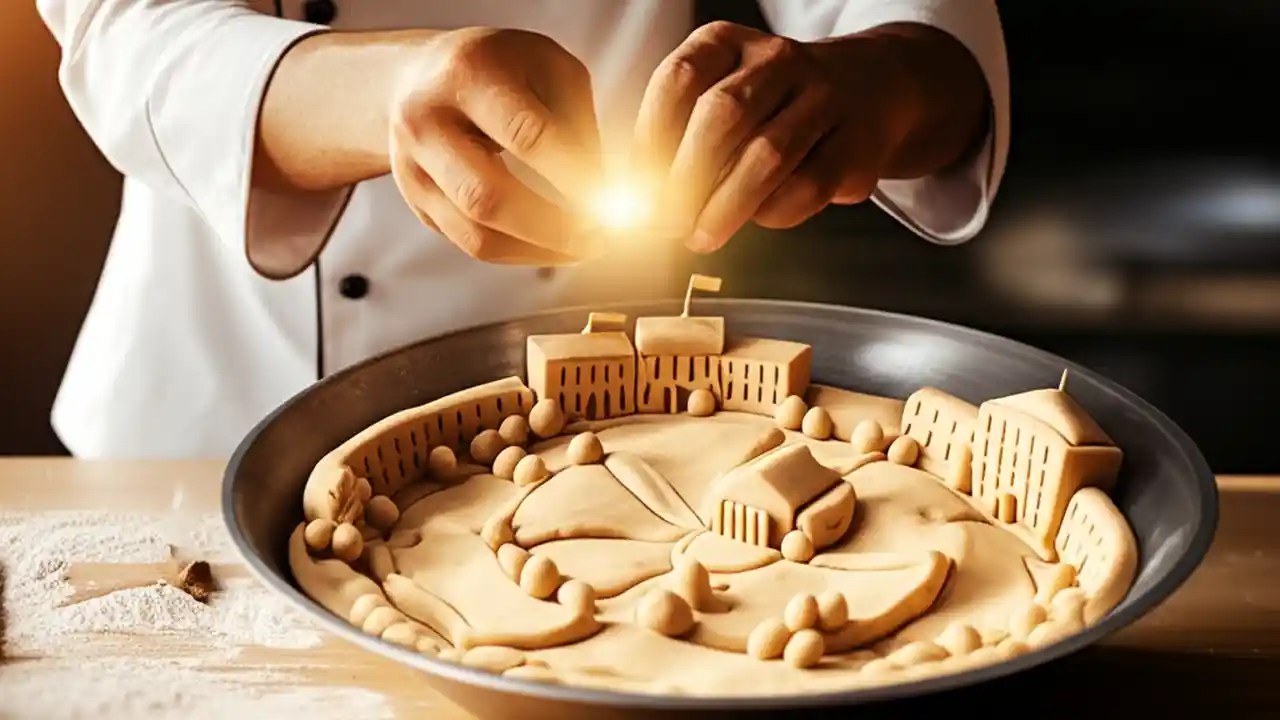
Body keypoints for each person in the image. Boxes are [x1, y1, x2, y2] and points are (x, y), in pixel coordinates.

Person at [37, 0, 1008, 459]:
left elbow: (927, 49)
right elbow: (126, 32)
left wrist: (876, 81)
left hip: (614, 432)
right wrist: (391, 91)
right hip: (214, 424)